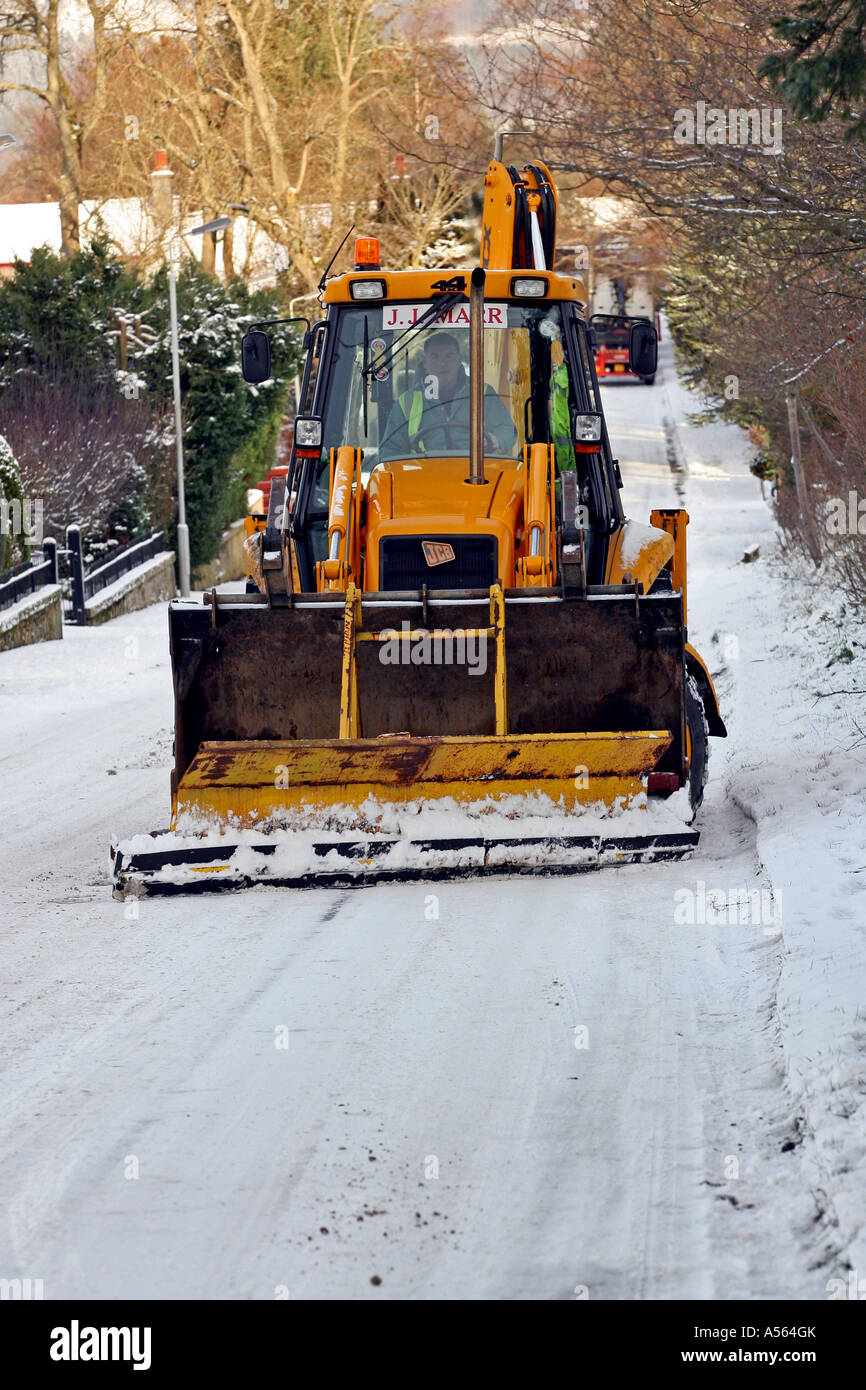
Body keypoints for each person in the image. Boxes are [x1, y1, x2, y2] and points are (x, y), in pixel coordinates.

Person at [379, 331, 517, 461]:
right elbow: (390, 450)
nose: (442, 363)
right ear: (425, 363)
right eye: (435, 356)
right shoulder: (407, 402)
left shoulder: (484, 393)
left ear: (459, 360)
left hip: (476, 474)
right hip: (423, 477)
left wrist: (494, 439)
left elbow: (507, 430)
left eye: (449, 355)